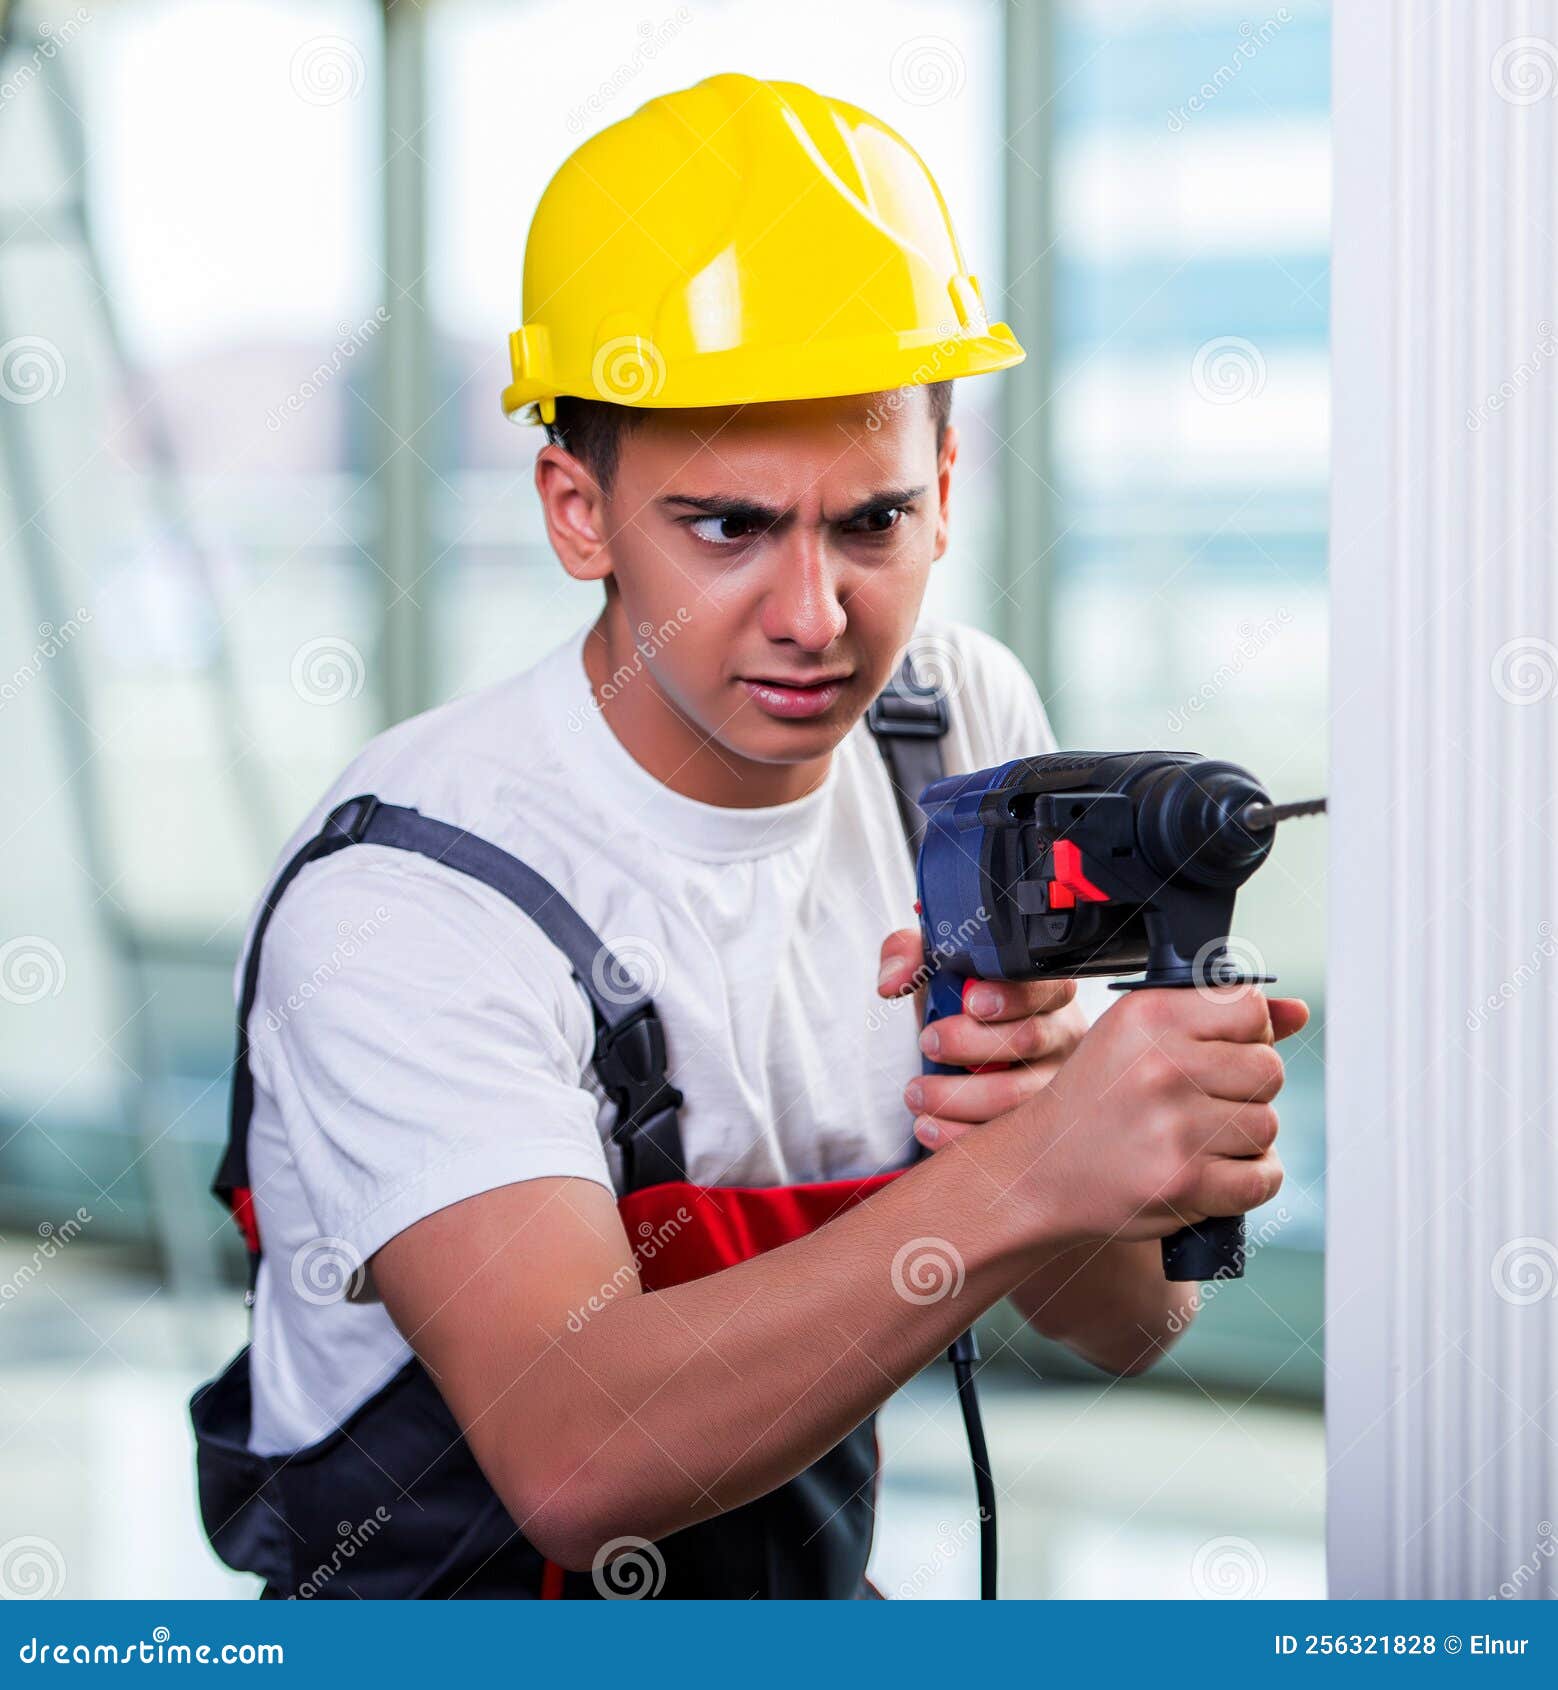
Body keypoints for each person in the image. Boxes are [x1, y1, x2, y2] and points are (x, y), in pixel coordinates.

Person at [191, 72, 1305, 1601]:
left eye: (870, 522)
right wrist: (1035, 1166)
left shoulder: (949, 728)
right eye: (726, 526)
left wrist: (1106, 1130)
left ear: (945, 484)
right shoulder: (412, 890)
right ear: (576, 509)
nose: (812, 618)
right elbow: (576, 1456)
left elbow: (1123, 1325)